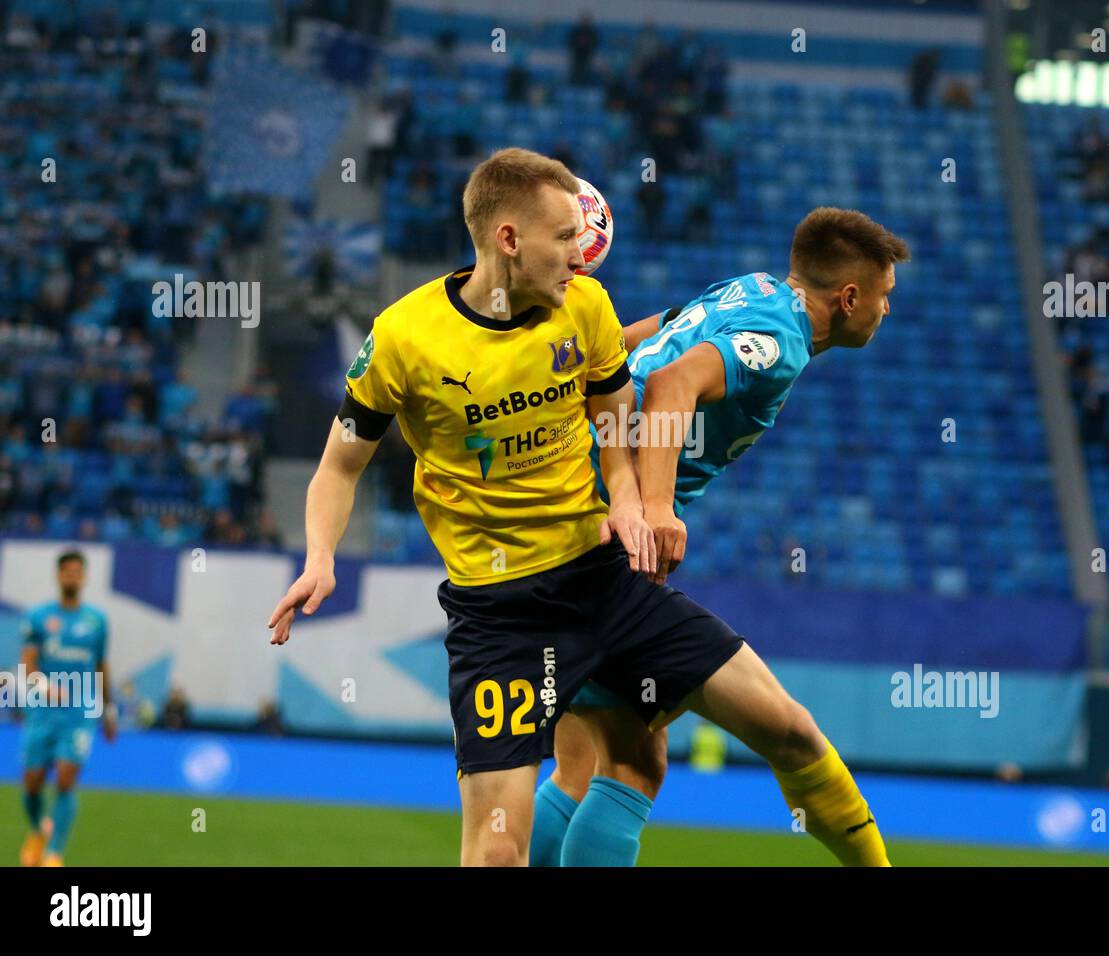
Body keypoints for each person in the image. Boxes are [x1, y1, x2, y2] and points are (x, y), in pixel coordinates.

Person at [268, 149, 891, 866]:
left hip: (602, 579)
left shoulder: (588, 308)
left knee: (784, 732)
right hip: (499, 613)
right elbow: (340, 463)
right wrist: (319, 556)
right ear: (508, 240)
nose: (584, 254)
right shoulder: (403, 341)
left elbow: (618, 412)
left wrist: (631, 502)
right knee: (505, 847)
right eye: (566, 239)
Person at [534, 208, 908, 866]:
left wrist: (566, 384)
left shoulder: (750, 288)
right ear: (849, 298)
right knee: (790, 732)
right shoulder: (781, 338)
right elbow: (674, 382)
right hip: (603, 542)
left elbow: (641, 339)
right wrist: (655, 507)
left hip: (559, 522)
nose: (885, 313)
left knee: (612, 760)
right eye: (884, 298)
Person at [17, 550, 117, 867]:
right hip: (42, 712)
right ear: (58, 576)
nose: (72, 576)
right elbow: (28, 666)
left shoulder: (97, 621)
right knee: (32, 782)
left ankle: (54, 854)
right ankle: (37, 830)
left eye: (77, 572)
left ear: (84, 577)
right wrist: (46, 687)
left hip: (78, 714)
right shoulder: (38, 617)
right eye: (67, 571)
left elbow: (101, 666)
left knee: (65, 780)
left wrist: (109, 710)